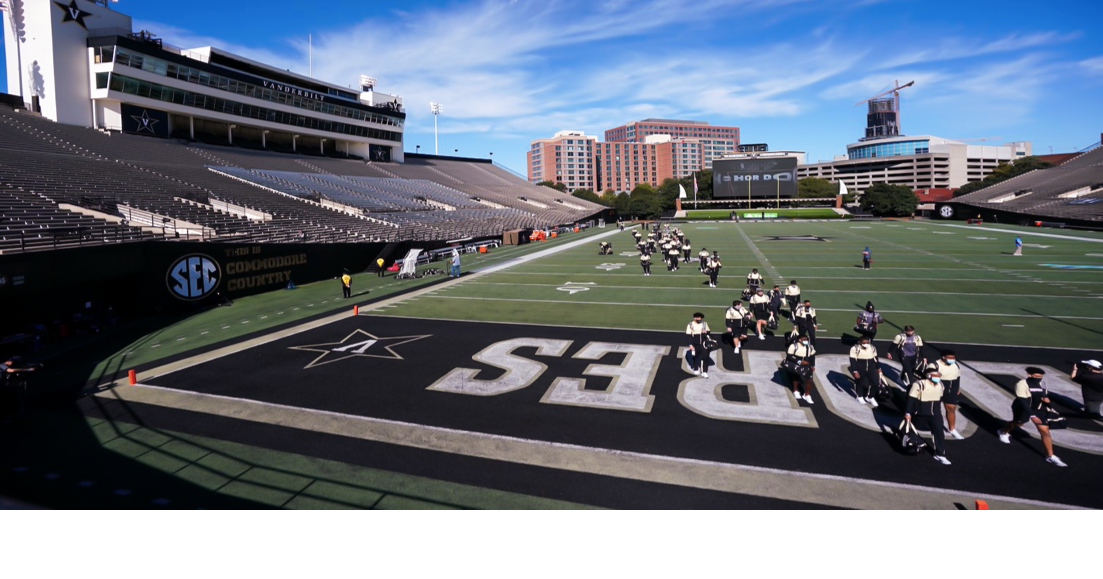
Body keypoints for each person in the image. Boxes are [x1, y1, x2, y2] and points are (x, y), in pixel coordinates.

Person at [997, 368, 1068, 467]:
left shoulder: (1041, 383)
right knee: (1019, 423)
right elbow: (1023, 401)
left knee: (1045, 431)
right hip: (1022, 408)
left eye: (1041, 376)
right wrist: (1032, 415)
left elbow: (1043, 393)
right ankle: (1003, 431)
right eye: (1037, 376)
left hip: (1038, 409)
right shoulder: (1021, 384)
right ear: (1029, 374)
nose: (1039, 378)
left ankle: (1050, 456)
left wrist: (1045, 399)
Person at [905, 369, 952, 466]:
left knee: (939, 432)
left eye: (939, 375)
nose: (938, 377)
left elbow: (940, 399)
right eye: (935, 375)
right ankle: (909, 445)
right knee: (912, 429)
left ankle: (940, 454)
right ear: (928, 376)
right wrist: (908, 412)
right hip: (921, 413)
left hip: (935, 413)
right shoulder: (919, 385)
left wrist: (938, 411)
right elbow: (911, 399)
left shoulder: (940, 385)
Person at [930, 351, 964, 440]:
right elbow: (928, 378)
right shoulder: (934, 365)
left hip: (951, 389)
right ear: (943, 357)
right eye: (949, 358)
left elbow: (957, 377)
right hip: (938, 389)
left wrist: (957, 388)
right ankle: (934, 426)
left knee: (951, 408)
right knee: (935, 410)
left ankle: (952, 429)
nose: (952, 360)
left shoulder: (956, 365)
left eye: (953, 358)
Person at [849, 336, 883, 408]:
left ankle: (870, 397)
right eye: (864, 343)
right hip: (860, 367)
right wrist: (855, 371)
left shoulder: (872, 347)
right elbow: (853, 360)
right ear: (860, 342)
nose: (866, 344)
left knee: (876, 383)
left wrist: (878, 367)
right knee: (860, 382)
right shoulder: (855, 348)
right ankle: (859, 396)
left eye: (867, 342)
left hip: (871, 367)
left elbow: (876, 358)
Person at [785, 335, 816, 404]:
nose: (806, 341)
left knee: (809, 380)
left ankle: (807, 395)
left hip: (807, 364)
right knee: (796, 377)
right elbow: (789, 356)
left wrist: (813, 365)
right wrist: (799, 361)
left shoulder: (810, 347)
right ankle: (795, 390)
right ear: (799, 340)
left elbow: (812, 356)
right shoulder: (794, 346)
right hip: (798, 363)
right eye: (804, 339)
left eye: (807, 339)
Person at [686, 313, 713, 379]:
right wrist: (690, 344)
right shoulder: (690, 325)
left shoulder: (704, 324)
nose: (699, 319)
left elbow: (709, 332)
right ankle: (696, 368)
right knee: (696, 356)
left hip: (704, 343)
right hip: (695, 343)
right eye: (698, 318)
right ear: (694, 318)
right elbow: (689, 335)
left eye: (700, 318)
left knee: (705, 356)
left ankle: (704, 371)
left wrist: (705, 332)